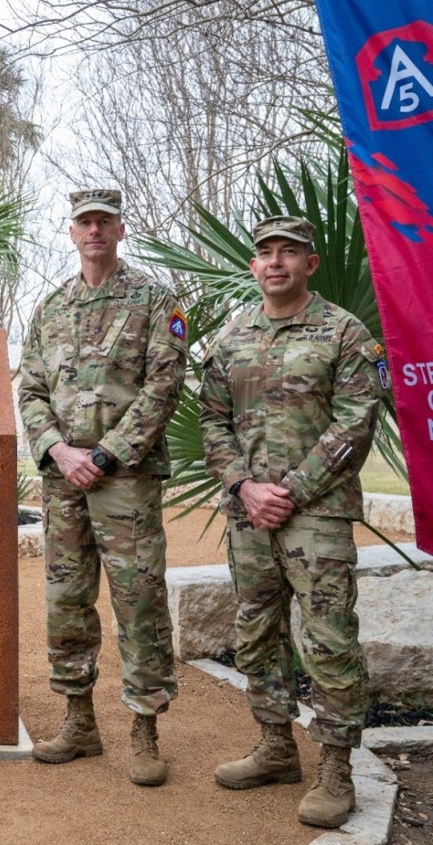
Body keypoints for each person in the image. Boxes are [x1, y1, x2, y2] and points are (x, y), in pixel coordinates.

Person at [200, 215, 383, 829]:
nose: (275, 262)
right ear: (253, 266)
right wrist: (245, 488)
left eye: (289, 252)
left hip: (318, 514)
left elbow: (356, 421)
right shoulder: (231, 338)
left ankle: (336, 770)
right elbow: (212, 424)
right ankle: (276, 747)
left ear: (310, 263)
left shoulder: (344, 333)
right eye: (265, 253)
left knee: (329, 639)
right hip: (248, 515)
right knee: (257, 631)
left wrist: (292, 490)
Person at [18, 188, 187, 786]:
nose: (93, 231)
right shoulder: (50, 307)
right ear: (71, 232)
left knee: (137, 601)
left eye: (103, 221)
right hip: (63, 479)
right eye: (84, 222)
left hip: (126, 480)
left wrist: (109, 453)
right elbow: (30, 389)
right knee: (66, 602)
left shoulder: (154, 300)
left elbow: (164, 386)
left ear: (120, 229)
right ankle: (79, 721)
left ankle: (144, 727)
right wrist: (60, 451)